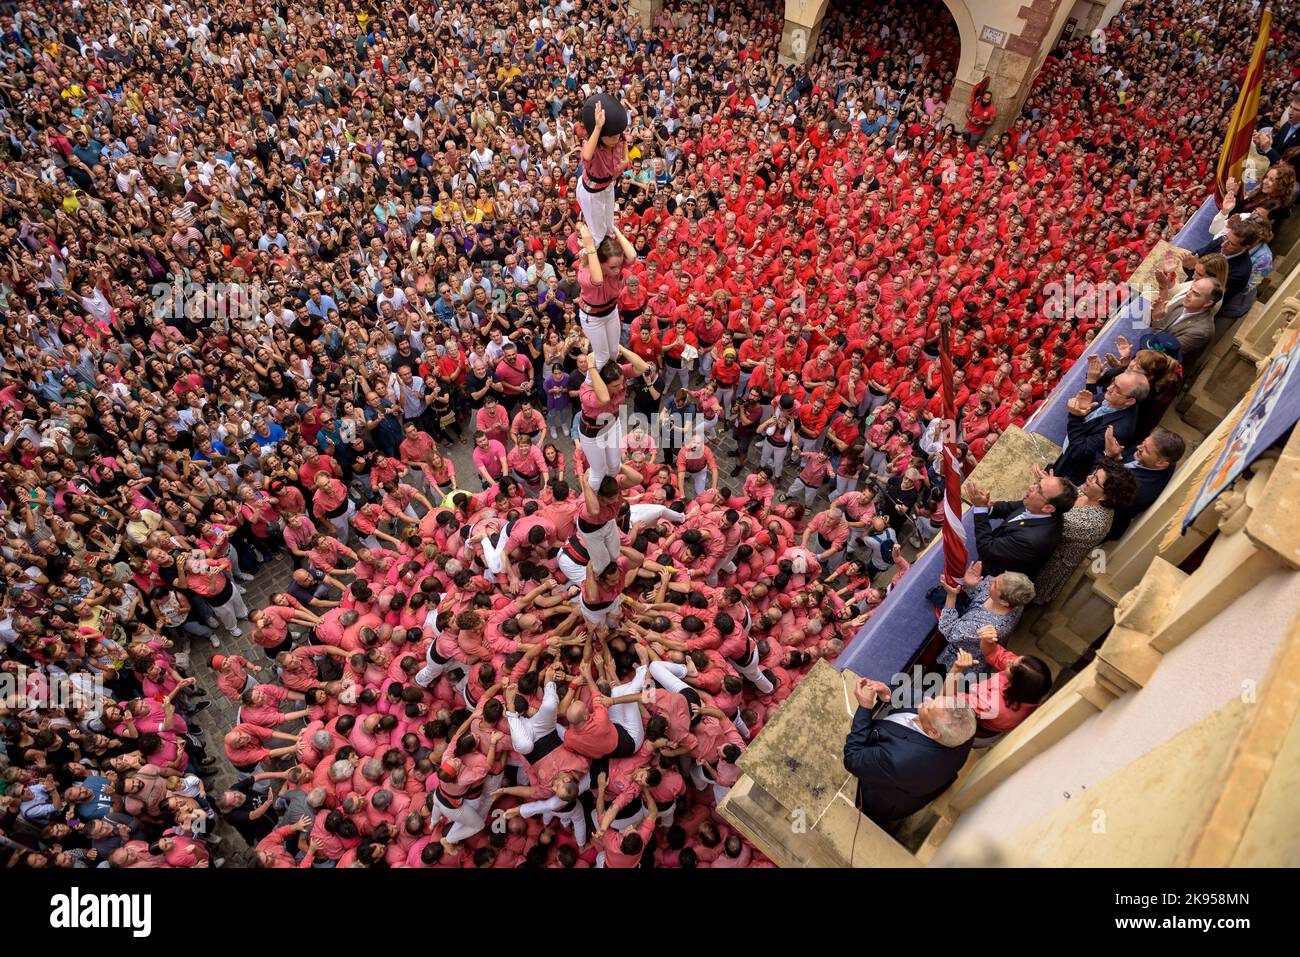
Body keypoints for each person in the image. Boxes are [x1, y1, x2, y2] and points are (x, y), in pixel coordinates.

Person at [843, 678, 976, 826]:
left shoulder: (899, 759)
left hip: (883, 799)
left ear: (933, 733)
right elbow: (920, 700)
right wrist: (890, 692)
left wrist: (865, 708)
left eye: (929, 708)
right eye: (936, 699)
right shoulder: (965, 731)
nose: (927, 699)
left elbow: (852, 758)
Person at [1033, 458, 1139, 605]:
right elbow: (1067, 496)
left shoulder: (1092, 523)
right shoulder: (1089, 494)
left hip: (1049, 564)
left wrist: (1045, 491)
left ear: (1106, 495)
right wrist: (1052, 486)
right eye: (1094, 473)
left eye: (1095, 479)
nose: (1089, 477)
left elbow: (1046, 522)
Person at [967, 469, 1078, 577]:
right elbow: (1009, 508)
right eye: (1038, 483)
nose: (1031, 487)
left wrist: (980, 509)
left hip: (991, 579)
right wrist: (987, 506)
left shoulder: (1031, 540)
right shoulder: (1038, 506)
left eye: (1039, 489)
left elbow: (987, 549)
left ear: (1048, 508)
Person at [1051, 371, 1148, 485]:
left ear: (1130, 401)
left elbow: (1080, 452)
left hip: (1071, 473)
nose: (1109, 388)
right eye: (1113, 382)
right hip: (1067, 454)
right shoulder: (1113, 398)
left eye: (1117, 389)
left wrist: (1075, 416)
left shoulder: (1118, 430)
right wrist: (1081, 407)